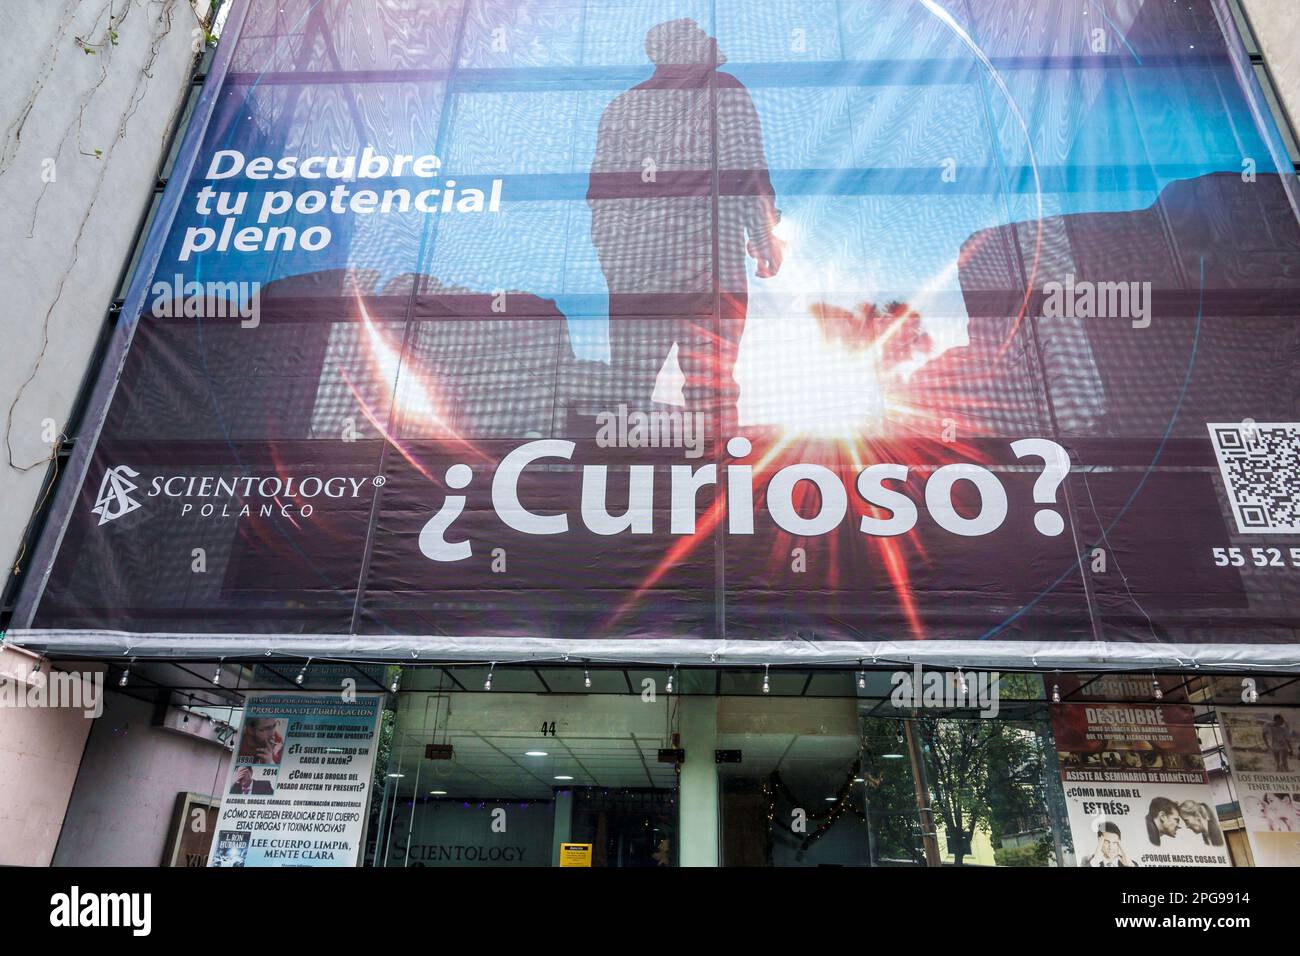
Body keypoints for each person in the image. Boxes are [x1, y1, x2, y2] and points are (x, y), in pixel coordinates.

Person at [587, 18, 783, 450]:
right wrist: (764, 236)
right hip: (707, 268)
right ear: (676, 49)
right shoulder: (723, 89)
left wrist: (617, 265)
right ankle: (714, 483)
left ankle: (622, 491)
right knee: (710, 384)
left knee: (630, 387)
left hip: (639, 274)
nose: (708, 40)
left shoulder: (623, 106)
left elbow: (602, 195)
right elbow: (745, 166)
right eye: (696, 37)